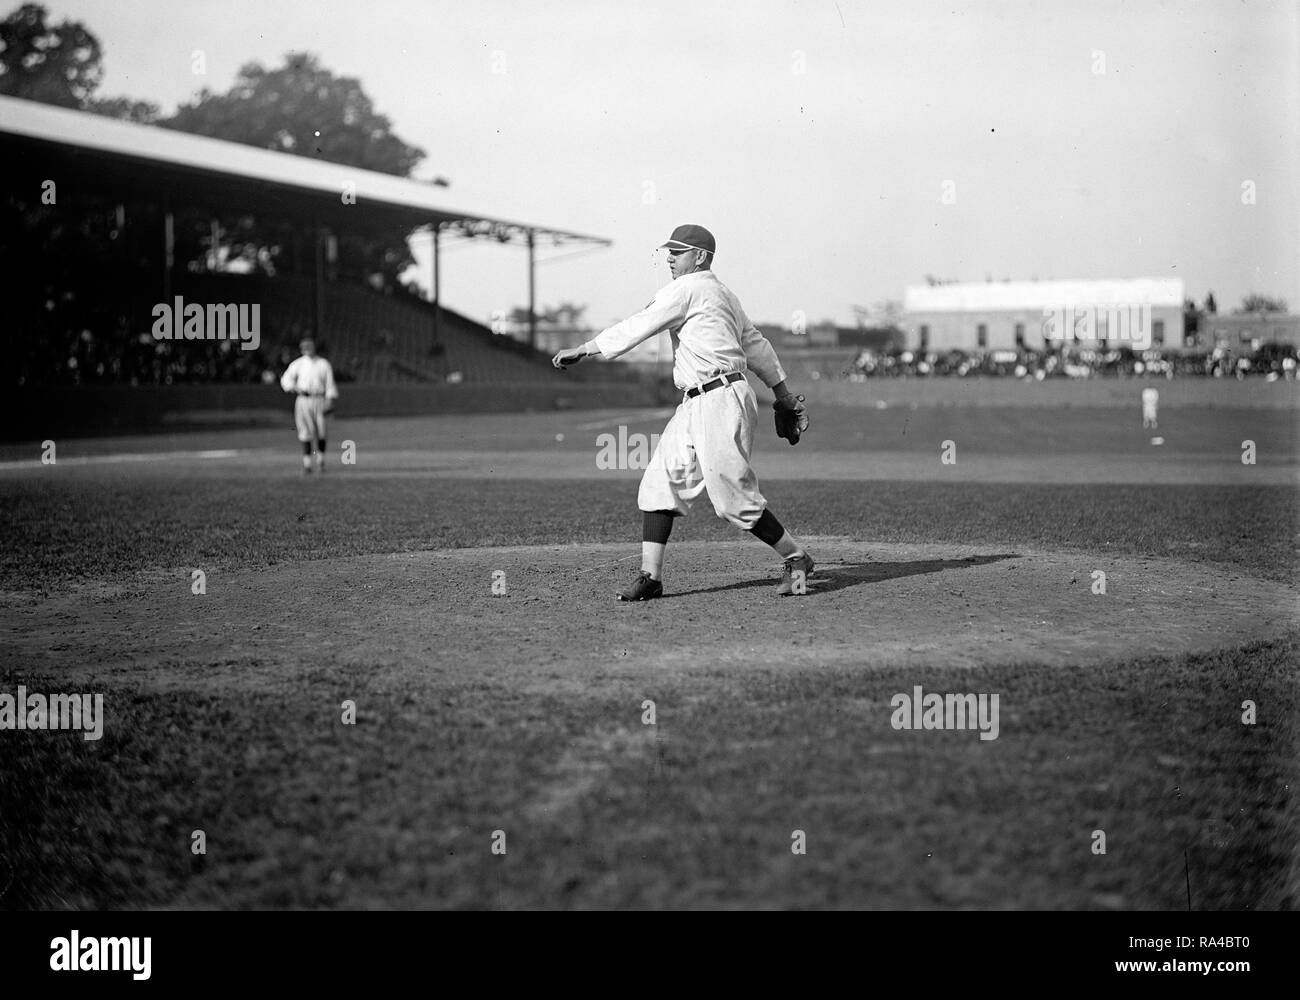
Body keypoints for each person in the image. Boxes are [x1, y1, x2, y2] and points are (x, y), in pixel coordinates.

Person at [552, 224, 814, 600]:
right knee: (661, 483)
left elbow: (641, 324)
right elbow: (757, 347)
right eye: (669, 251)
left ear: (700, 257)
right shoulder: (723, 294)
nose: (670, 258)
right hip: (697, 401)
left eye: (678, 251)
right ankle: (650, 577)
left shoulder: (688, 288)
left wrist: (589, 347)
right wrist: (782, 394)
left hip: (720, 400)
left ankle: (797, 558)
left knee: (732, 500)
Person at [279, 338, 339, 474]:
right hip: (303, 399)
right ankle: (307, 464)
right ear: (301, 349)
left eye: (310, 347)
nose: (308, 349)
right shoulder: (298, 364)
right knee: (305, 431)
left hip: (319, 398)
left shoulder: (323, 363)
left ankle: (321, 460)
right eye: (305, 347)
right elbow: (285, 380)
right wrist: (293, 387)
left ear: (314, 347)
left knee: (322, 430)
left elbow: (330, 384)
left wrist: (329, 400)